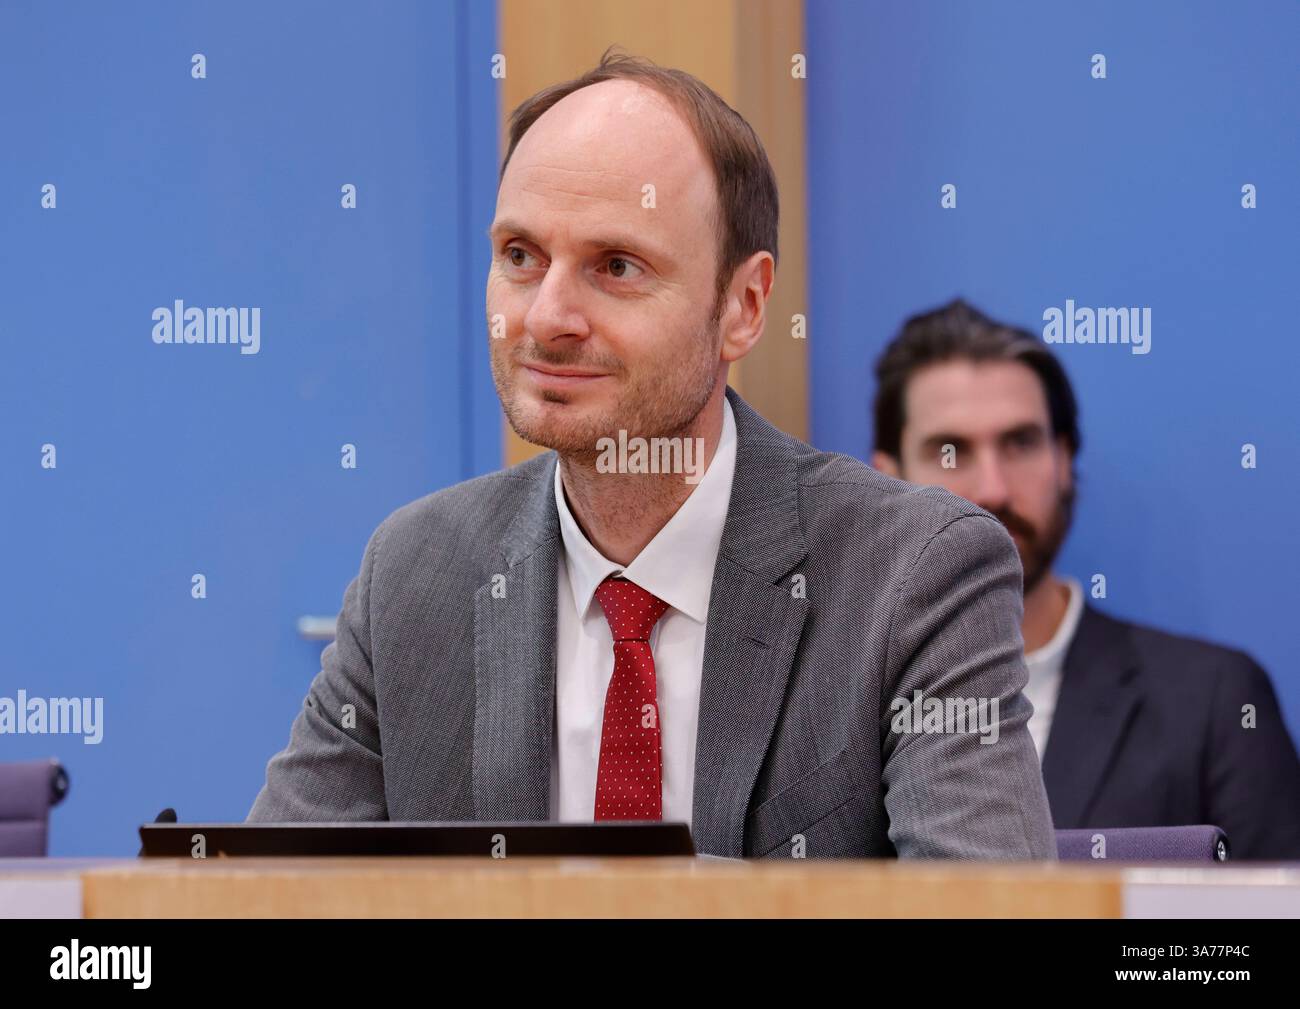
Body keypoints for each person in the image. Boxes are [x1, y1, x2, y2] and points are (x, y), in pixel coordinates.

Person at [248, 52, 1055, 859]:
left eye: (617, 267)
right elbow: (267, 899)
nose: (548, 317)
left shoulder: (914, 574)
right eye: (521, 256)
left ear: (742, 307)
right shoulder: (415, 573)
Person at [871, 298, 1300, 859]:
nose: (994, 489)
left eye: (1021, 443)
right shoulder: (836, 709)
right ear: (888, 480)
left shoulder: (1215, 701)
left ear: (1065, 459)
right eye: (950, 452)